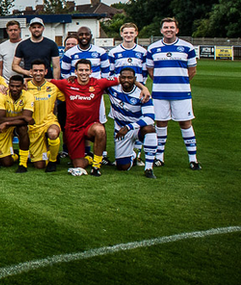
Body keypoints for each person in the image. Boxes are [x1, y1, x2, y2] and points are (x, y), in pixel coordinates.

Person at [50, 60, 149, 176]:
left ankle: (96, 165)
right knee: (79, 164)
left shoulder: (98, 83)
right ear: (75, 72)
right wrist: (27, 81)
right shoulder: (66, 84)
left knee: (100, 129)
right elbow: (46, 81)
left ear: (91, 71)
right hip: (73, 129)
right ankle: (90, 158)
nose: (84, 73)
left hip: (90, 126)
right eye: (81, 70)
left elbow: (124, 78)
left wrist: (144, 88)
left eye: (86, 70)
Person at [146, 17, 200, 170]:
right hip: (160, 94)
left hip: (182, 94)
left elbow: (192, 70)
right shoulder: (153, 48)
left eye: (171, 27)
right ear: (161, 30)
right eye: (165, 27)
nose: (168, 30)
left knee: (185, 123)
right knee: (161, 123)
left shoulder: (187, 47)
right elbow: (151, 70)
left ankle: (193, 159)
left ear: (177, 30)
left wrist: (180, 82)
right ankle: (159, 157)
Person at [108, 66, 159, 178]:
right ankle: (133, 155)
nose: (126, 80)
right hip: (120, 130)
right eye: (124, 77)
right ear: (119, 78)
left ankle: (149, 168)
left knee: (150, 129)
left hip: (135, 129)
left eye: (130, 78)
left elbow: (150, 118)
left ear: (134, 79)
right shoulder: (113, 88)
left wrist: (129, 127)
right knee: (122, 167)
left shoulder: (142, 94)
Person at [24, 60, 64, 172]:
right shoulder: (24, 87)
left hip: (49, 122)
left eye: (41, 70)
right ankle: (48, 152)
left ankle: (53, 161)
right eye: (35, 70)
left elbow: (67, 97)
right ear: (30, 72)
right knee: (39, 165)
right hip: (33, 127)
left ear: (46, 71)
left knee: (53, 133)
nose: (38, 73)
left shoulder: (53, 87)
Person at [0, 75, 34, 172]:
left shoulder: (28, 96)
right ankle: (16, 155)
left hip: (14, 125)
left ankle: (23, 163)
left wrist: (7, 123)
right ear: (8, 86)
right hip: (4, 128)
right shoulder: (1, 96)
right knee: (6, 163)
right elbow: (0, 119)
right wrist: (22, 116)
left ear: (23, 86)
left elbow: (27, 120)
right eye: (12, 86)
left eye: (18, 86)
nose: (14, 89)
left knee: (23, 128)